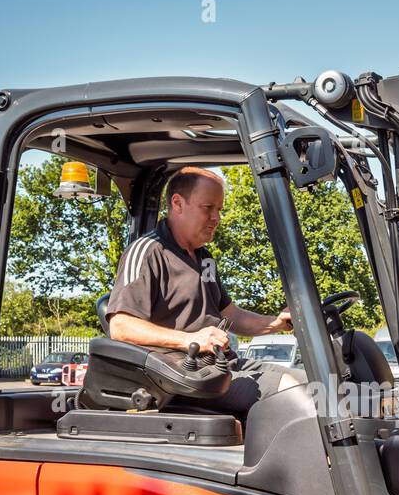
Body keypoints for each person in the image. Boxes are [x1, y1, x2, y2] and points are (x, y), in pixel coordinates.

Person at [104, 166, 305, 416]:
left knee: (315, 384)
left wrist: (276, 322)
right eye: (207, 208)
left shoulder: (204, 258)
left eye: (219, 210)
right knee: (291, 394)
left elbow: (229, 315)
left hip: (221, 365)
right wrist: (190, 339)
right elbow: (121, 327)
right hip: (182, 375)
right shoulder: (148, 251)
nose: (216, 218)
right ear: (177, 204)